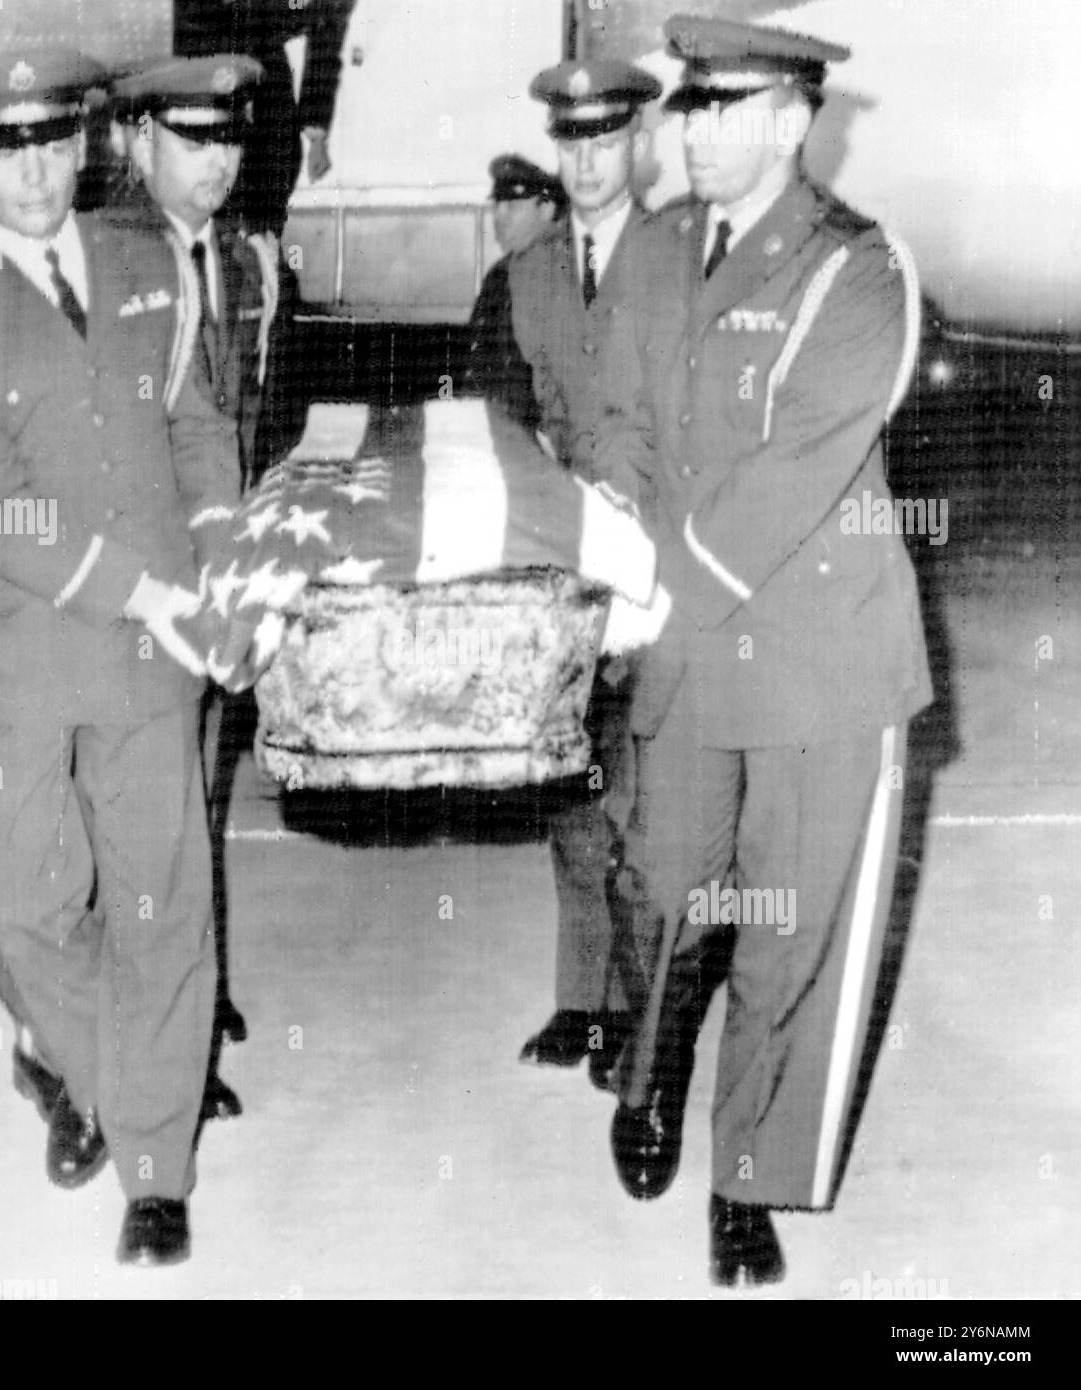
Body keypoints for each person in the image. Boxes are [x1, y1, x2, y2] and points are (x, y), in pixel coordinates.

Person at [0, 47, 238, 1267]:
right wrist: (143, 585)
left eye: (52, 142)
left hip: (153, 653)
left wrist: (217, 573)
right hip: (19, 651)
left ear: (85, 145)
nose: (33, 168)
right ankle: (74, 1061)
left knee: (160, 903)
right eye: (5, 145)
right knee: (14, 901)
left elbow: (197, 429)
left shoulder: (155, 267)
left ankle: (153, 1161)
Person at [596, 15, 932, 1286]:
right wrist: (618, 540)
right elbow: (622, 418)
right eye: (687, 107)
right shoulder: (655, 249)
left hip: (815, 653)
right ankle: (654, 1067)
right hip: (683, 634)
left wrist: (652, 591)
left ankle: (748, 1176)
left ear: (791, 124)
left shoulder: (859, 270)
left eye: (721, 111)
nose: (691, 130)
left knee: (794, 926)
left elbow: (791, 471)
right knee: (668, 886)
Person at [108, 52, 284, 1128]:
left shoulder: (245, 263)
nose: (216, 161)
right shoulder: (107, 259)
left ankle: (196, 986)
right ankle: (149, 1044)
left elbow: (247, 421)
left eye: (228, 139)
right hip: (144, 596)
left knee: (198, 806)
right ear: (135, 141)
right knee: (146, 832)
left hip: (220, 584)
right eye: (191, 138)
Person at [507, 59, 663, 1088]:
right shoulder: (529, 275)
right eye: (570, 141)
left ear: (637, 144)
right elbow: (551, 419)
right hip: (576, 565)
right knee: (573, 788)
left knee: (646, 814)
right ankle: (581, 998)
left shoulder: (688, 259)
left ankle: (641, 1027)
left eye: (604, 138)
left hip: (660, 569)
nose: (586, 159)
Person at [174, 0, 358, 239]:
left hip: (265, 70)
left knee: (274, 178)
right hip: (204, 56)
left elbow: (326, 34)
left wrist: (316, 134)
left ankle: (263, 256)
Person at [463, 154, 566, 430]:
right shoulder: (501, 273)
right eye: (497, 203)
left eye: (513, 205)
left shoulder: (564, 271)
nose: (499, 216)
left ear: (546, 209)